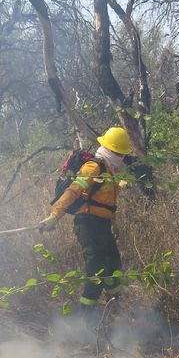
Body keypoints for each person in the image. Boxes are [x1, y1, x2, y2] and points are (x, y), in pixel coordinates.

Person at [39, 126, 130, 316]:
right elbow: (73, 191)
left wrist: (114, 220)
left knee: (114, 265)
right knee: (96, 270)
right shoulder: (94, 167)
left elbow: (106, 201)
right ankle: (87, 315)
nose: (120, 156)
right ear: (109, 149)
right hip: (88, 224)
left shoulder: (112, 170)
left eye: (122, 153)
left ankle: (113, 306)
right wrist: (54, 216)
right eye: (117, 152)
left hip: (103, 225)